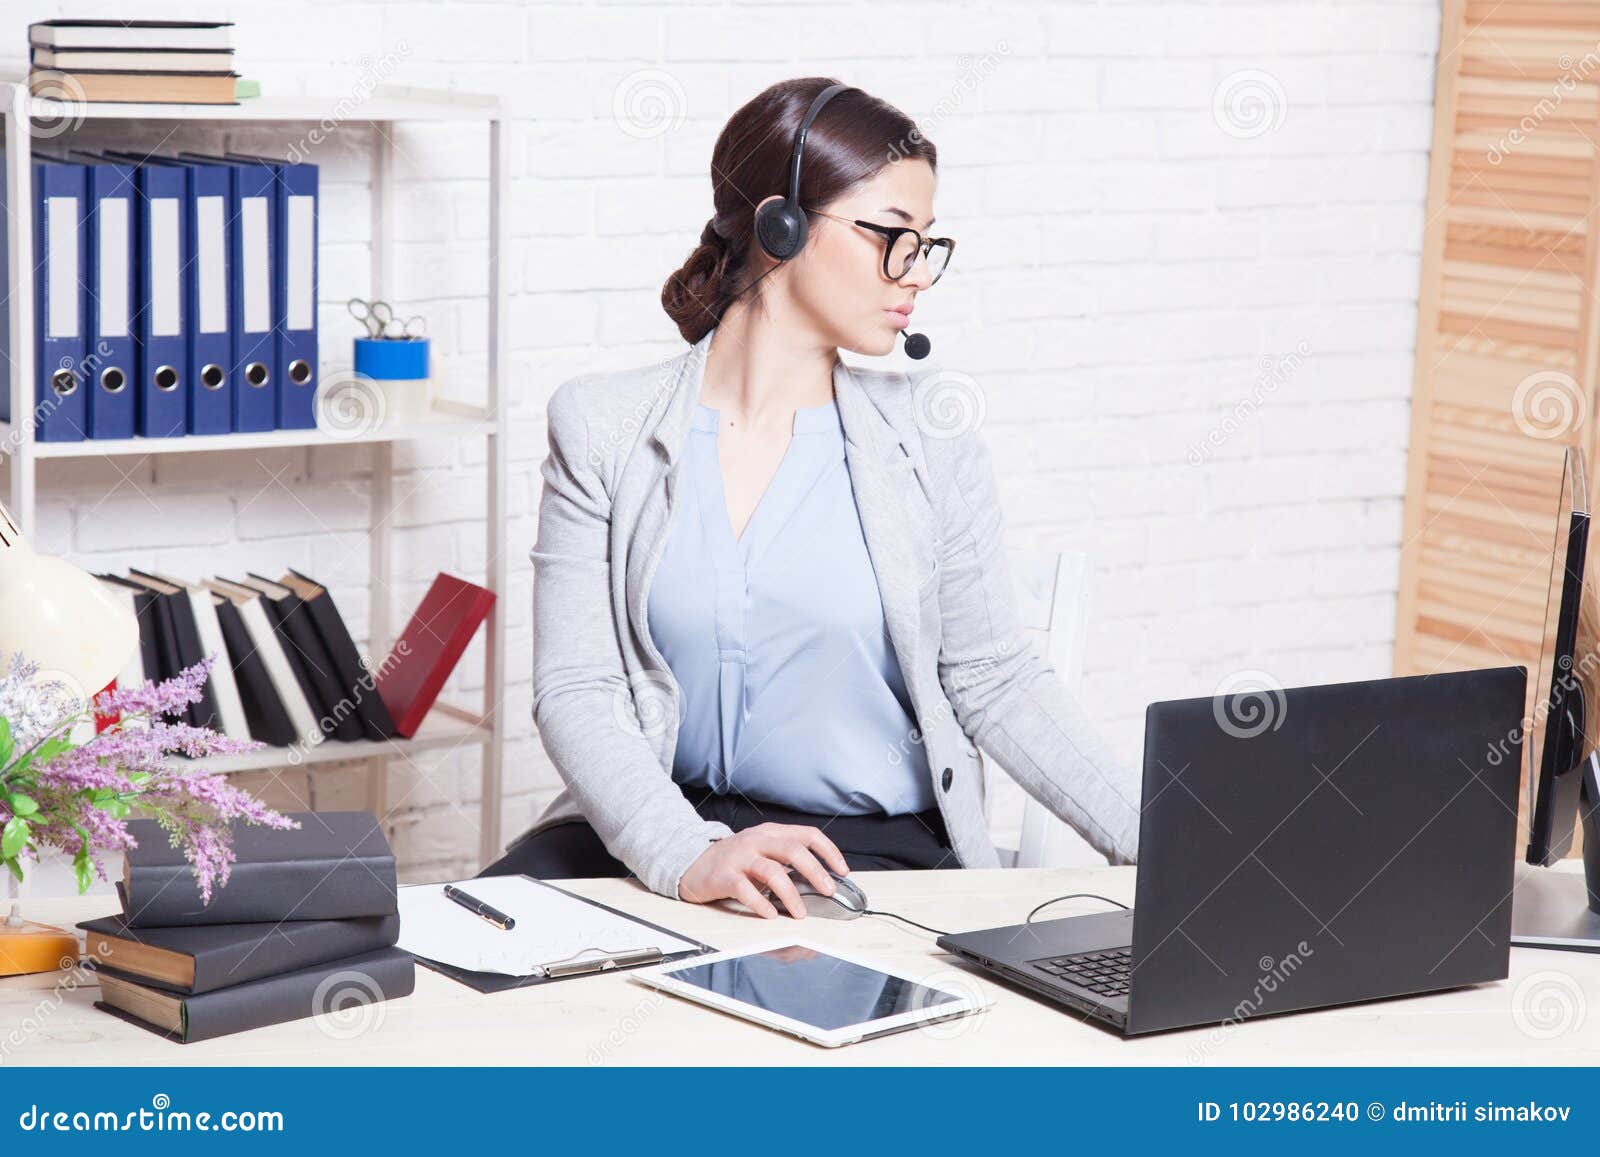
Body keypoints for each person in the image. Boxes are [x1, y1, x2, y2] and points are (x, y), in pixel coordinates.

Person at [484, 77, 1140, 920]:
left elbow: (994, 677)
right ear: (780, 224)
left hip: (865, 848)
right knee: (465, 955)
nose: (916, 274)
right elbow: (578, 687)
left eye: (927, 244)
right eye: (891, 237)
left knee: (764, 1011)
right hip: (660, 825)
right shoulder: (602, 426)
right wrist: (686, 852)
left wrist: (1164, 838)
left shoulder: (929, 439)